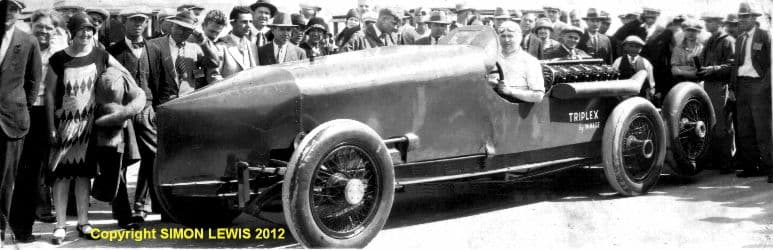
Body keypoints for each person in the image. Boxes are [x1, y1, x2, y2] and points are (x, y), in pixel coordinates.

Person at [44, 12, 131, 244]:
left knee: (84, 176)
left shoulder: (101, 55)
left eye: (90, 30)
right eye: (81, 30)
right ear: (71, 33)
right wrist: (51, 127)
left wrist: (121, 98)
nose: (86, 34)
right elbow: (50, 95)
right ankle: (61, 226)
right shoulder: (58, 59)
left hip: (90, 126)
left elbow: (124, 74)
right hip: (65, 126)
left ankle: (83, 222)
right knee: (62, 177)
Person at [106, 7, 156, 226]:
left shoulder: (154, 48)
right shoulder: (111, 51)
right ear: (124, 23)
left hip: (148, 112)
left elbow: (163, 82)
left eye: (142, 21)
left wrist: (157, 110)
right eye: (133, 20)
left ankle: (141, 206)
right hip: (122, 113)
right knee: (120, 161)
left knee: (152, 157)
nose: (138, 24)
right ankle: (122, 212)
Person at [1, 0, 42, 245]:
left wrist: (19, 109)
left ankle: (1, 233)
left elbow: (33, 82)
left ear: (19, 13)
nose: (8, 13)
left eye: (13, 9)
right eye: (4, 7)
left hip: (11, 121)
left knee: (7, 182)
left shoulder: (28, 41)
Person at [23, 9, 63, 226]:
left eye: (49, 27)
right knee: (30, 162)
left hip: (50, 111)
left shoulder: (58, 53)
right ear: (32, 26)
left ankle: (44, 204)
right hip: (27, 110)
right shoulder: (23, 48)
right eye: (40, 27)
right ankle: (38, 206)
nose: (44, 31)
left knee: (48, 161)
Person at [730, 3, 771, 181]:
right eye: (740, 17)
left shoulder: (765, 36)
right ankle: (751, 166)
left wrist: (765, 85)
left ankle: (771, 167)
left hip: (758, 85)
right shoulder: (739, 38)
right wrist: (733, 87)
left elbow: (770, 64)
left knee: (763, 129)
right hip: (742, 86)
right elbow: (735, 66)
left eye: (746, 17)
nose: (742, 21)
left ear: (754, 18)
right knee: (744, 129)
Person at [146, 11, 219, 106]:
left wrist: (203, 42)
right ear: (172, 25)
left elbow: (213, 64)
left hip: (188, 105)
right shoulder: (153, 45)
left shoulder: (194, 48)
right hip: (161, 105)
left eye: (186, 29)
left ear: (192, 32)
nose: (181, 32)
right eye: (178, 27)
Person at [697, 13, 736, 174]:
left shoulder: (727, 41)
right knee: (711, 123)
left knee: (723, 125)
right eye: (706, 21)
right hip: (709, 85)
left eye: (709, 21)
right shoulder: (709, 41)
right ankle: (715, 160)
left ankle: (727, 161)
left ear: (719, 22)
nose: (706, 24)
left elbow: (732, 65)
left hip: (721, 86)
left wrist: (713, 69)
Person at [489, 21, 545, 103]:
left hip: (517, 110)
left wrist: (510, 91)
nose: (506, 40)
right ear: (498, 38)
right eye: (503, 36)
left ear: (519, 38)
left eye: (510, 36)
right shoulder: (491, 58)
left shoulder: (530, 61)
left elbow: (538, 96)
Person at [643, 17, 684, 102]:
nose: (677, 26)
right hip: (664, 71)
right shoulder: (667, 34)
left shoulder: (658, 34)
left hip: (658, 70)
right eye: (676, 24)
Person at [214, 6, 259, 79]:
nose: (249, 26)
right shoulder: (220, 47)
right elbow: (214, 76)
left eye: (250, 22)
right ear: (232, 23)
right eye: (244, 22)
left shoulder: (252, 46)